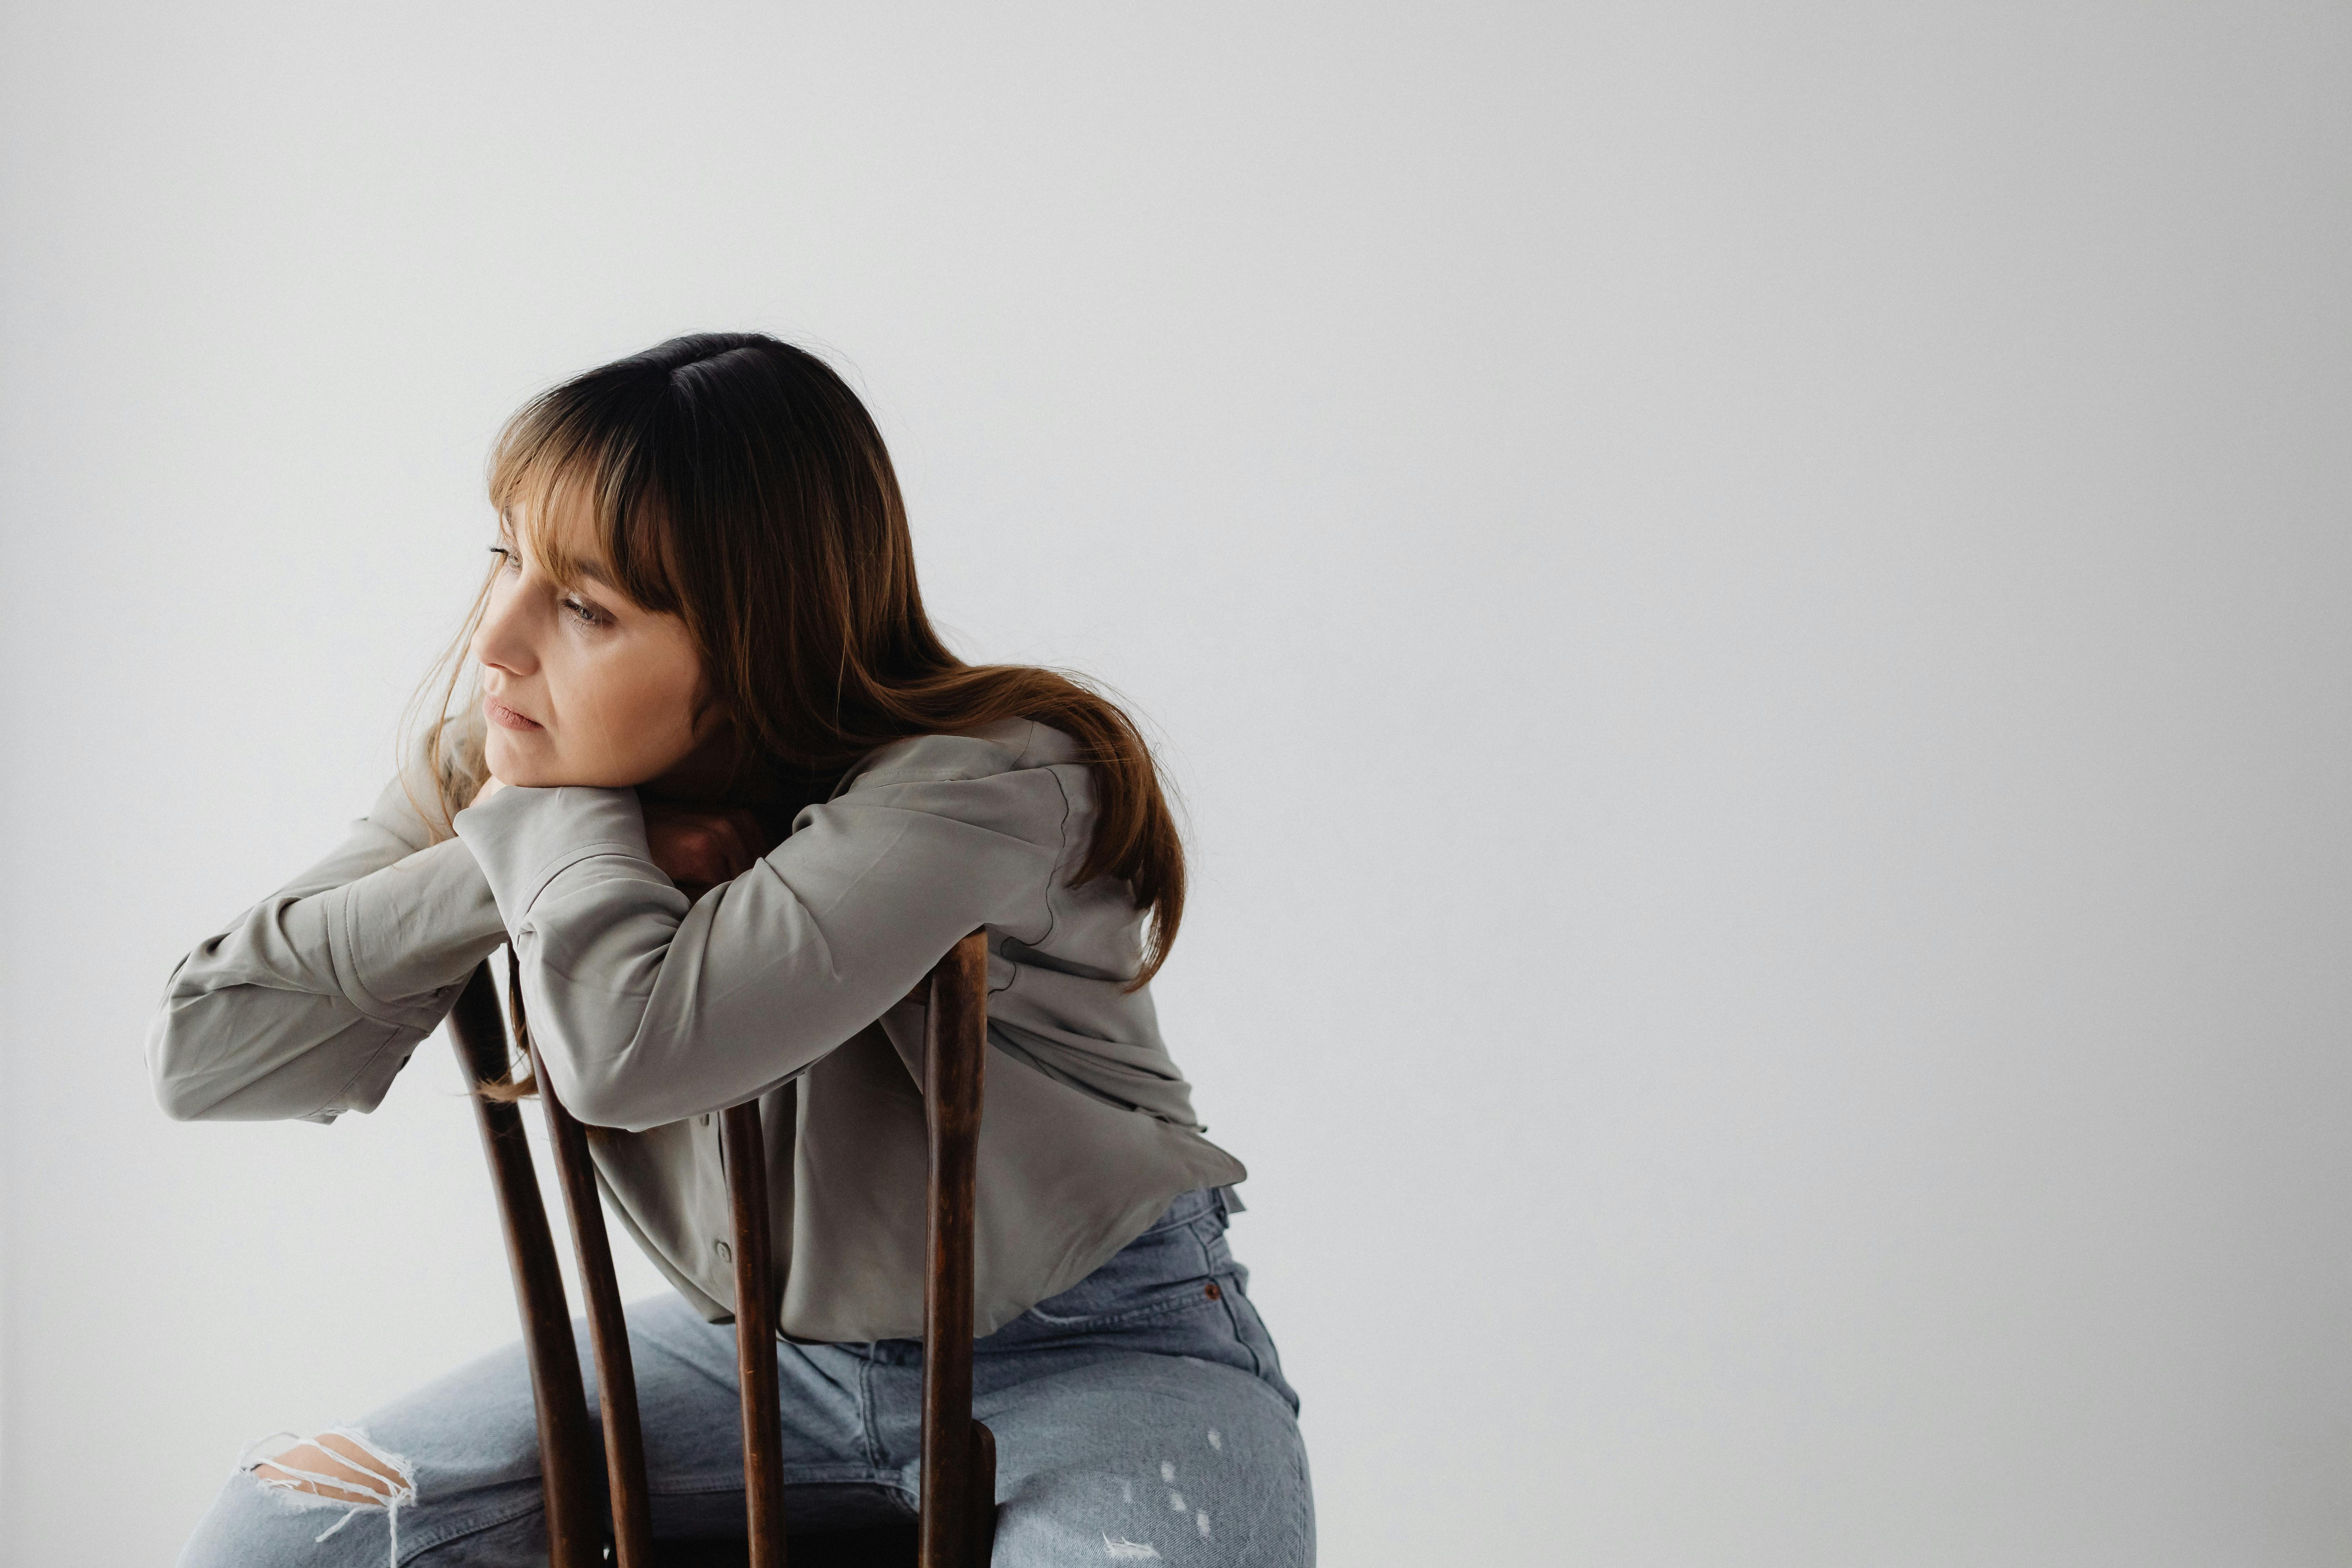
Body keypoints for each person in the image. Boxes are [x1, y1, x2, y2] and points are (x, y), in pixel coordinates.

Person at [149, 332, 1314, 1567]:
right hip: (754, 1359)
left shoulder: (985, 784)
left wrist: (551, 832)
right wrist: (533, 844)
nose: (497, 641)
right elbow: (208, 1055)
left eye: (587, 605)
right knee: (284, 1532)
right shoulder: (516, 769)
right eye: (507, 556)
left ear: (762, 638)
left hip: (1095, 1346)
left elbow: (634, 1055)